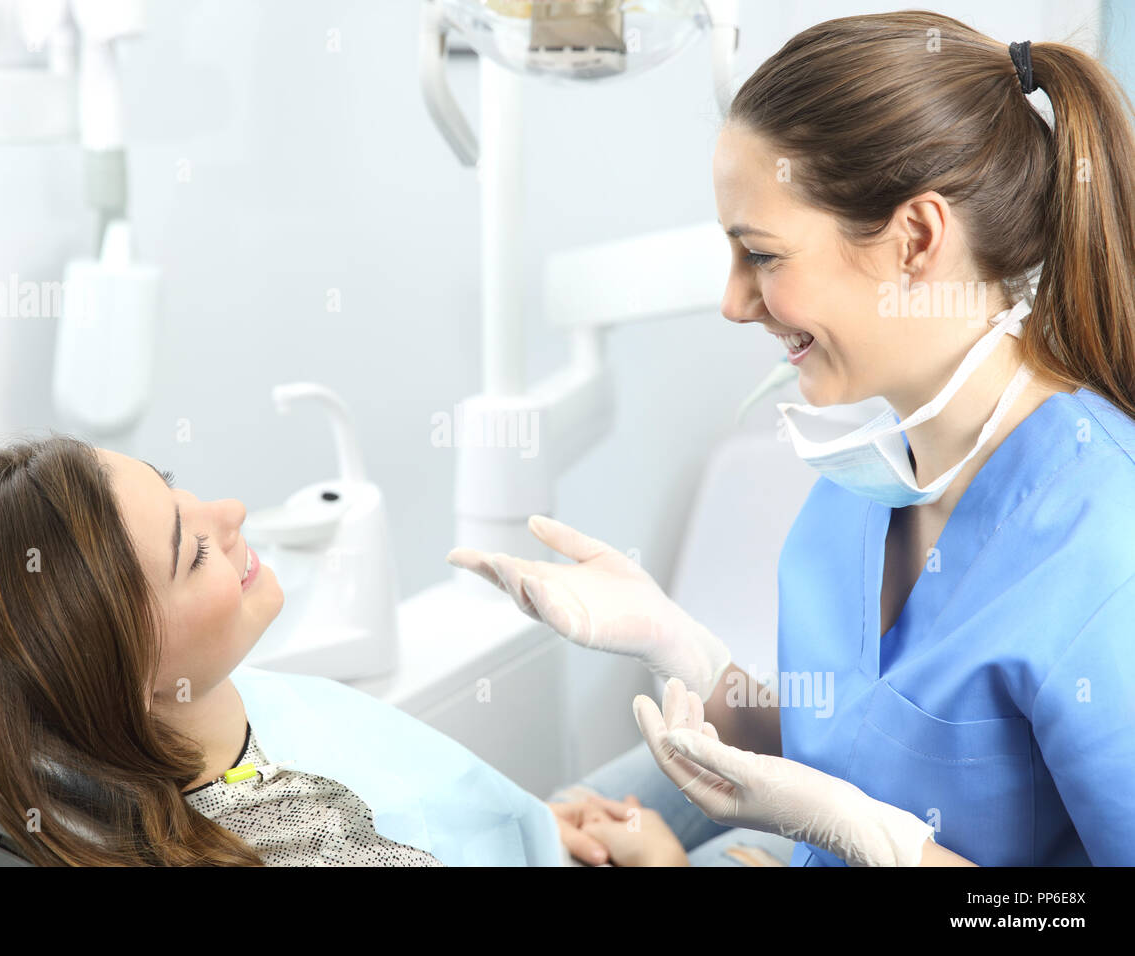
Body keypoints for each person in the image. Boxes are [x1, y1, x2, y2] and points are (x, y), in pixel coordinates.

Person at [450, 11, 1135, 866]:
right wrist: (683, 649)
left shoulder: (1106, 542)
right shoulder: (864, 480)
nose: (734, 302)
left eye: (763, 256)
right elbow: (844, 752)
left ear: (916, 238)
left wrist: (876, 841)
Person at [0, 434, 688, 866]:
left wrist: (525, 821)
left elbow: (419, 793)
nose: (232, 511)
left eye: (172, 482)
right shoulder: (287, 840)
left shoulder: (195, 721)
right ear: (125, 684)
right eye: (191, 551)